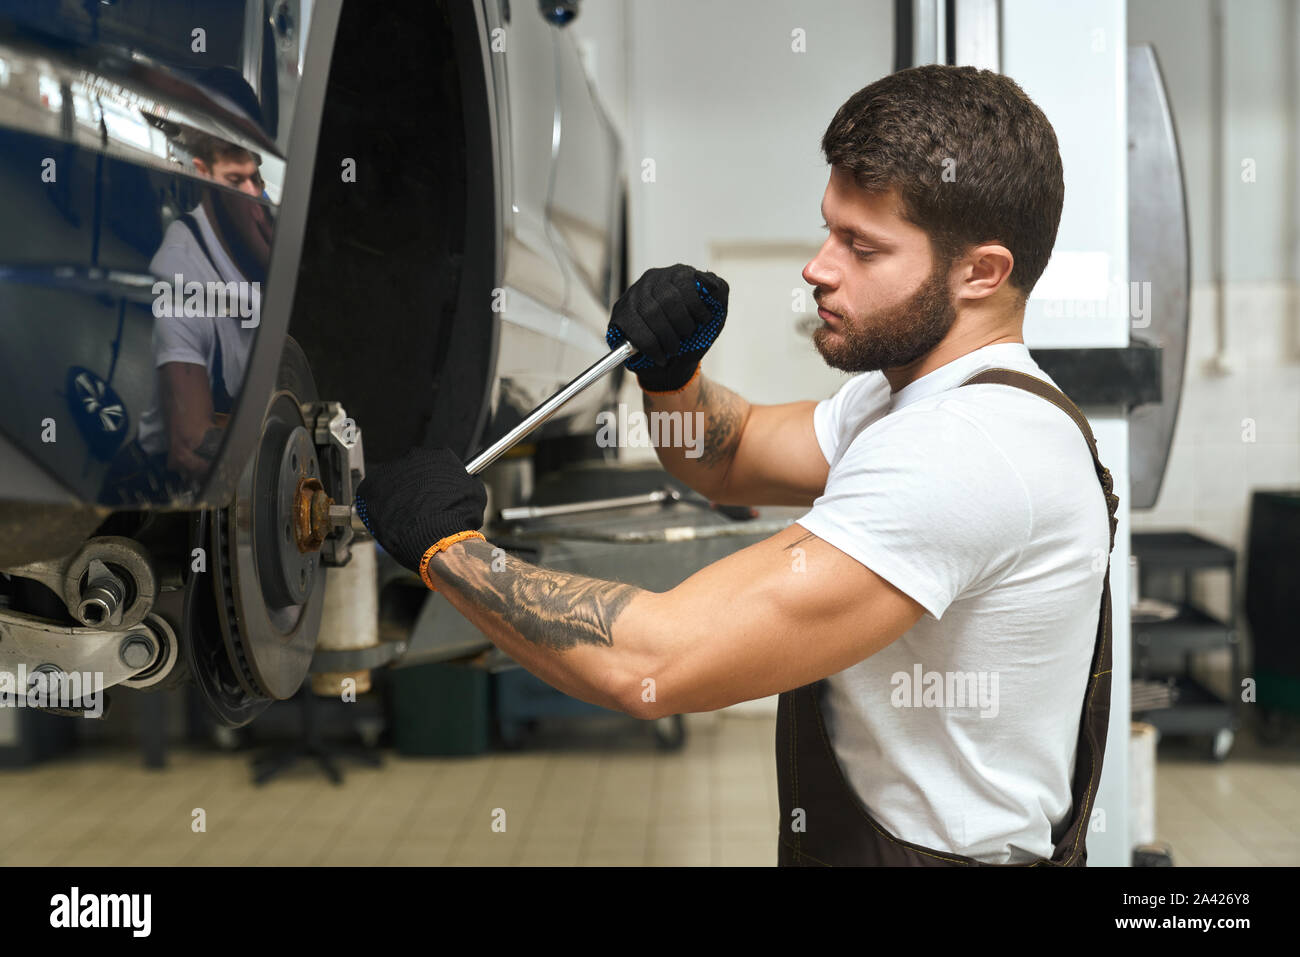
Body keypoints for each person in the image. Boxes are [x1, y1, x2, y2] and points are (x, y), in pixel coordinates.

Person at [355, 64, 1118, 867]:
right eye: (830, 229)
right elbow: (731, 454)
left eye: (862, 246)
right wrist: (672, 375)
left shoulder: (969, 448)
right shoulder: (910, 398)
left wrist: (450, 553)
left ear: (981, 272)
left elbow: (651, 662)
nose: (818, 267)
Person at [124, 132, 271, 500]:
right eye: (235, 181)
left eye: (257, 179)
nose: (255, 197)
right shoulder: (181, 272)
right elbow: (190, 446)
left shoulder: (259, 244)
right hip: (149, 493)